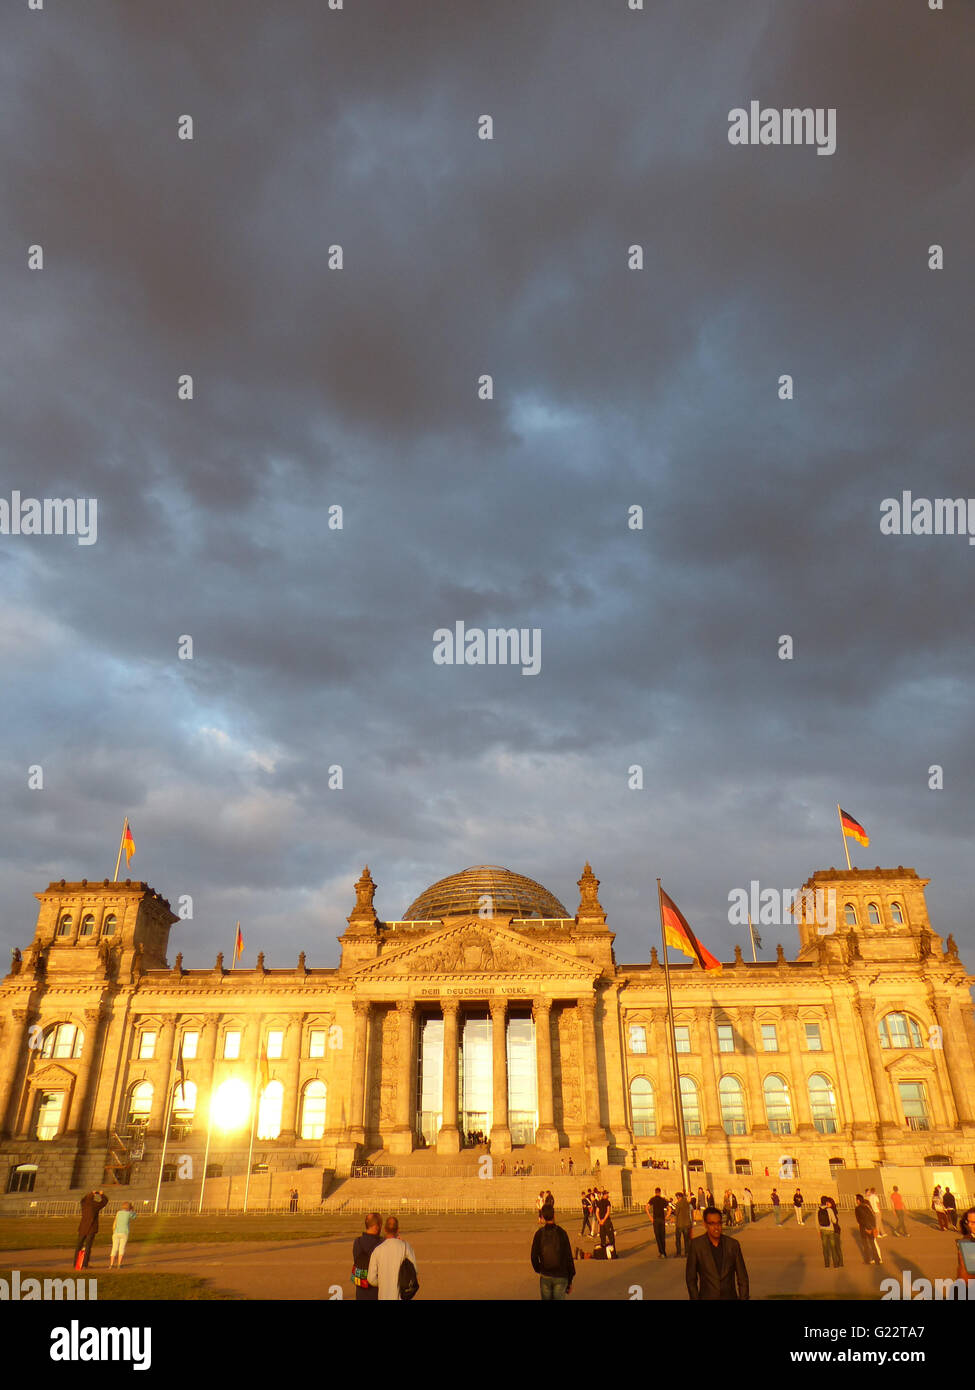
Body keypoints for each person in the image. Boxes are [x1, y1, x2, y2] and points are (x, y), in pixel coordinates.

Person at [685, 1208, 749, 1300]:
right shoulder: (697, 1246)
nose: (716, 1227)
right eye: (712, 1223)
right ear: (705, 1225)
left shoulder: (732, 1245)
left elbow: (742, 1278)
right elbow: (691, 1278)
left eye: (719, 1223)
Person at [367, 1215, 418, 1301]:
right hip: (402, 1296)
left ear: (385, 1230)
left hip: (383, 1296)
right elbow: (414, 1271)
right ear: (398, 1230)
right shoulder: (406, 1247)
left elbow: (371, 1279)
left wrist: (383, 1282)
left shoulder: (377, 1250)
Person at [531, 1202, 576, 1299]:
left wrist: (539, 1269)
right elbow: (568, 1256)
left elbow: (533, 1256)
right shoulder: (562, 1233)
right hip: (561, 1274)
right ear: (554, 1215)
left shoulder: (539, 1234)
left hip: (545, 1274)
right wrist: (570, 1279)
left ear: (542, 1217)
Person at [351, 1213, 384, 1300]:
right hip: (378, 1291)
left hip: (361, 1289)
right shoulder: (383, 1243)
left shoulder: (357, 1242)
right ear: (377, 1226)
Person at [74, 1189, 109, 1269]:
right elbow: (104, 1202)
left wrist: (91, 1193)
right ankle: (85, 1264)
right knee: (88, 1247)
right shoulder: (95, 1205)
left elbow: (83, 1199)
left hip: (83, 1228)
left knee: (78, 1246)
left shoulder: (84, 1204)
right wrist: (101, 1194)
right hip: (91, 1228)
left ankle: (76, 1263)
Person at [854, 1193, 882, 1264]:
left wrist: (866, 1228)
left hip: (864, 1228)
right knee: (872, 1244)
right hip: (871, 1227)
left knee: (865, 1245)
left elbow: (859, 1220)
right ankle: (877, 1259)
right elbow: (873, 1217)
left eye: (856, 1200)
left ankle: (867, 1260)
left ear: (858, 1201)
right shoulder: (867, 1206)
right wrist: (873, 1227)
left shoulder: (857, 1209)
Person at [816, 1196, 842, 1268]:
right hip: (830, 1230)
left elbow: (816, 1222)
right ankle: (835, 1264)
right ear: (826, 1202)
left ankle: (826, 1264)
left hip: (822, 1230)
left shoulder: (817, 1209)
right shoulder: (829, 1209)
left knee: (825, 1248)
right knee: (833, 1247)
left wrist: (818, 1230)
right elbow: (834, 1220)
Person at [109, 1202, 136, 1269]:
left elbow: (115, 1221)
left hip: (116, 1232)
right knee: (122, 1248)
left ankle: (111, 1264)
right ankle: (119, 1264)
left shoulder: (118, 1213)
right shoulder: (129, 1213)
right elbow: (134, 1216)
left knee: (114, 1248)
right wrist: (132, 1210)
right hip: (124, 1232)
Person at [647, 1187, 669, 1258]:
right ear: (660, 1192)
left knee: (658, 1236)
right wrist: (666, 1217)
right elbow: (670, 1209)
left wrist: (650, 1217)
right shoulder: (663, 1200)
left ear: (655, 1192)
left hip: (655, 1219)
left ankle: (661, 1252)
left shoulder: (652, 1199)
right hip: (662, 1219)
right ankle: (664, 1252)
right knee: (662, 1236)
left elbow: (646, 1207)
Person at [956, 1208, 975, 1286]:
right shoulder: (966, 1240)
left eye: (973, 1223)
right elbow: (963, 1271)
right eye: (968, 1222)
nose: (969, 1225)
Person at [596, 1189, 616, 1258]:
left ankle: (604, 1254)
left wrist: (600, 1220)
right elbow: (608, 1212)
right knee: (611, 1237)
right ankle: (613, 1253)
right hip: (607, 1221)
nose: (608, 1195)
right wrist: (604, 1220)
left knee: (603, 1238)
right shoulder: (607, 1202)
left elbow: (597, 1212)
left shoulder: (599, 1202)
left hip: (601, 1222)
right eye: (607, 1194)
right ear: (604, 1195)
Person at [673, 1191, 692, 1258]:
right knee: (686, 1239)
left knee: (678, 1239)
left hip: (680, 1224)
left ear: (678, 1197)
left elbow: (676, 1213)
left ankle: (679, 1253)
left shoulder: (678, 1204)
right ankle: (687, 1252)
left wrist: (673, 1211)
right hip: (687, 1224)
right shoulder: (687, 1203)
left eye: (677, 1197)